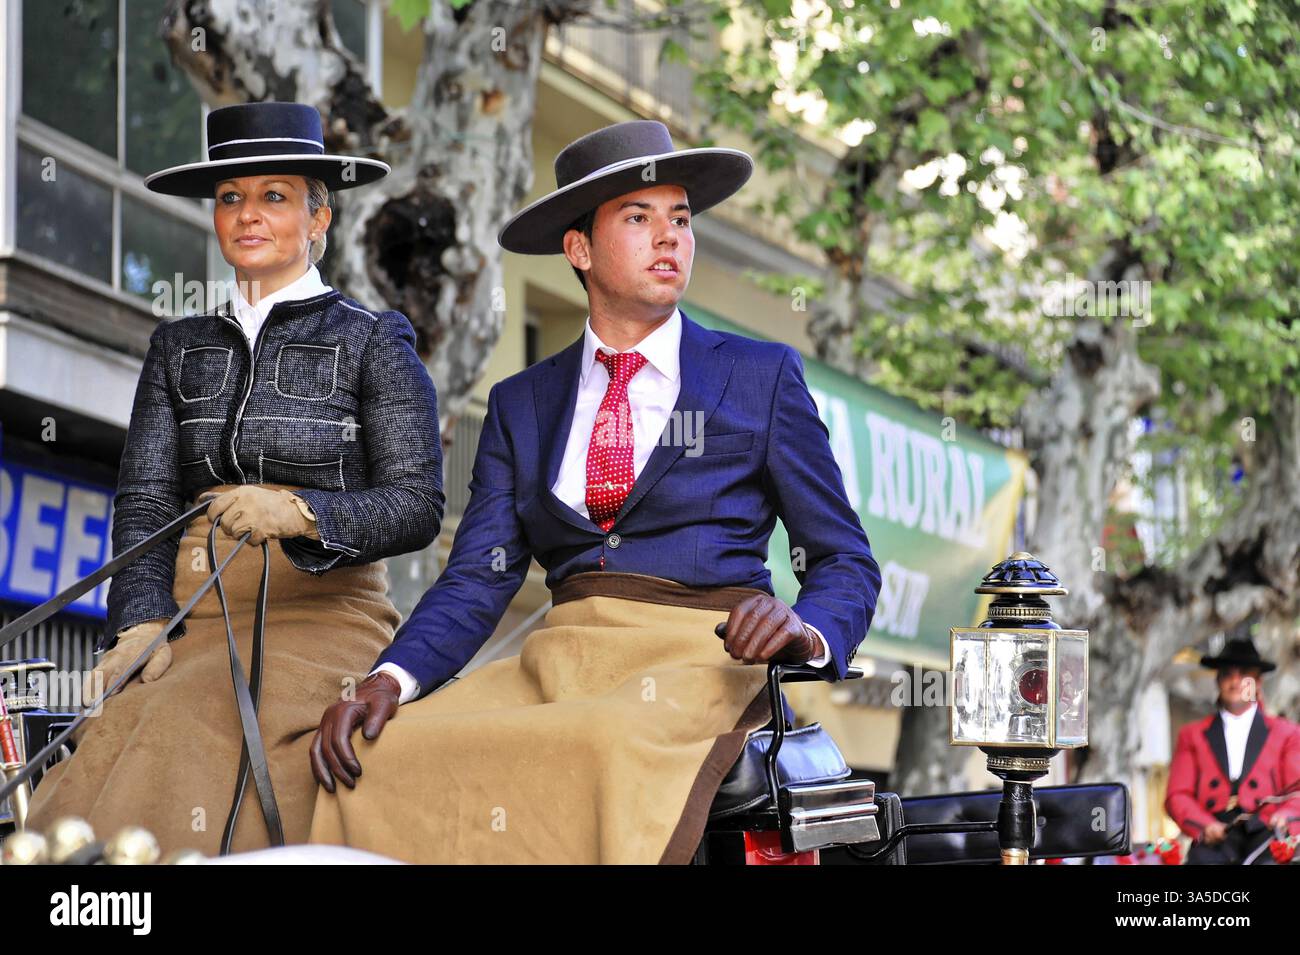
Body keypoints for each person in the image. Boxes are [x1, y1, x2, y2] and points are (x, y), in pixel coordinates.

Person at [309, 120, 881, 864]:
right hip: (555, 661)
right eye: (639, 218)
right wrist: (389, 676)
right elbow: (477, 581)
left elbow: (845, 561)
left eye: (680, 218)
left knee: (600, 743)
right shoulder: (521, 403)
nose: (670, 237)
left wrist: (805, 630)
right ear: (578, 249)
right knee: (381, 755)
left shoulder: (761, 375)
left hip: (702, 659)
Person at [25, 102, 444, 857]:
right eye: (230, 198)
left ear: (318, 219)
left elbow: (417, 504)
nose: (249, 215)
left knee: (191, 723)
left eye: (274, 196)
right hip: (195, 615)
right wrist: (142, 620)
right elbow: (148, 494)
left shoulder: (373, 338)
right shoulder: (177, 344)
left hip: (324, 619)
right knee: (112, 728)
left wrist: (300, 511)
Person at [1165, 636, 1300, 864]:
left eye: (1244, 673)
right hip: (1215, 833)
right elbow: (1177, 794)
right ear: (1218, 680)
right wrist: (1205, 825)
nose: (1235, 681)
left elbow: (1297, 790)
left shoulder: (1286, 733)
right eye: (1227, 673)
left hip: (1265, 830)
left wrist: (1284, 816)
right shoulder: (1192, 735)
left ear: (1258, 682)